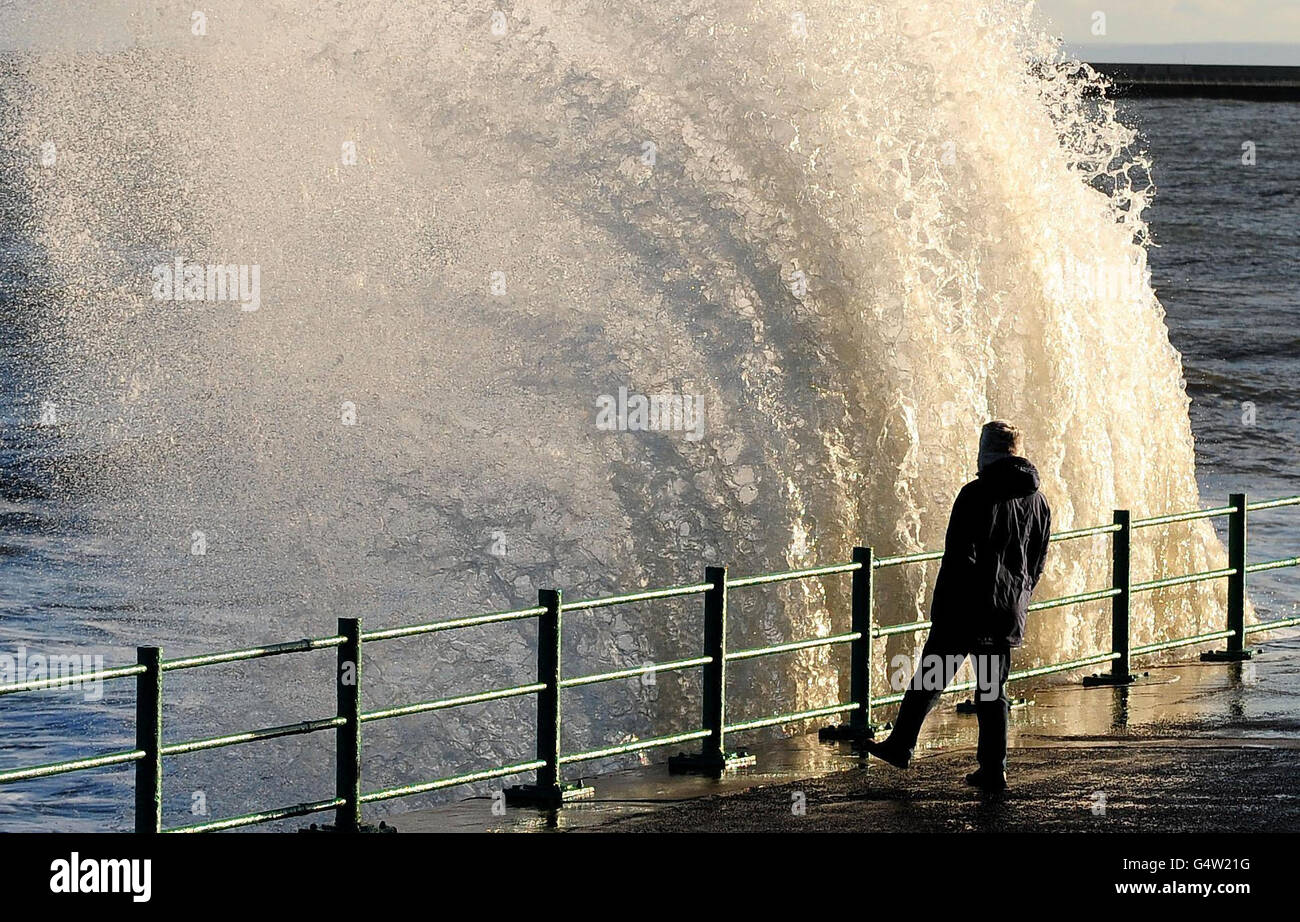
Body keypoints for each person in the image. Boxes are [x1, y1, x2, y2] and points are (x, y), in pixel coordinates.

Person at [865, 420, 1051, 791]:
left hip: (965, 609)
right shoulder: (1038, 501)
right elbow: (1037, 560)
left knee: (930, 678)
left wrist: (945, 610)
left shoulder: (975, 494)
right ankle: (993, 768)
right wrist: (1019, 595)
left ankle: (902, 745)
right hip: (1006, 610)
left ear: (988, 451)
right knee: (992, 690)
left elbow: (959, 557)